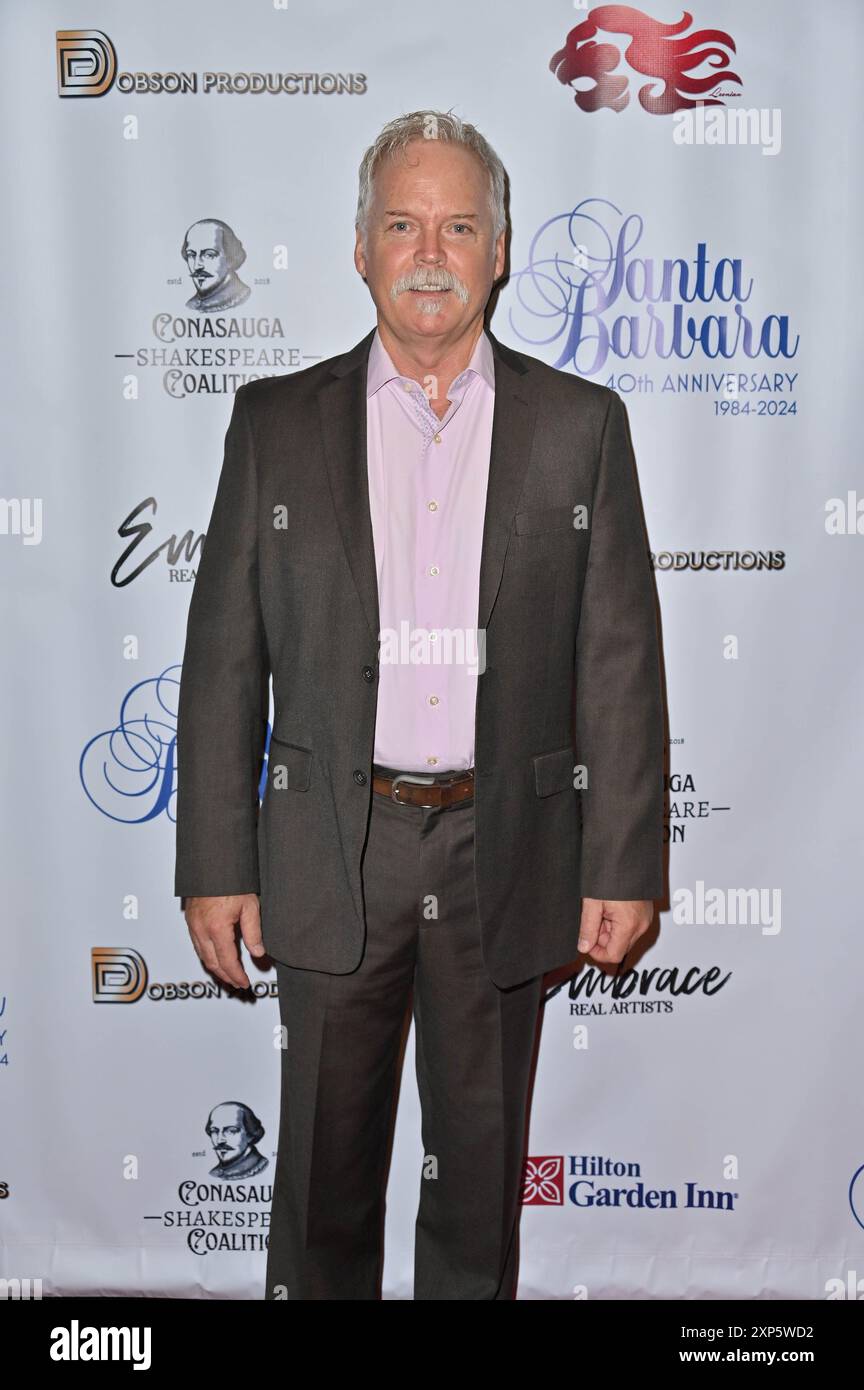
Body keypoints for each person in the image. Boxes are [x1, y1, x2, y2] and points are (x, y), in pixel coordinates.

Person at [174, 109, 665, 1300]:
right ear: (358, 248)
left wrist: (625, 862)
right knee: (321, 1183)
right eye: (402, 223)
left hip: (511, 848)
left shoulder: (580, 426)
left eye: (458, 224)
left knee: (477, 1190)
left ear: (501, 248)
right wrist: (213, 860)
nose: (430, 249)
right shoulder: (276, 424)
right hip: (334, 848)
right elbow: (225, 658)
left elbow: (618, 660)